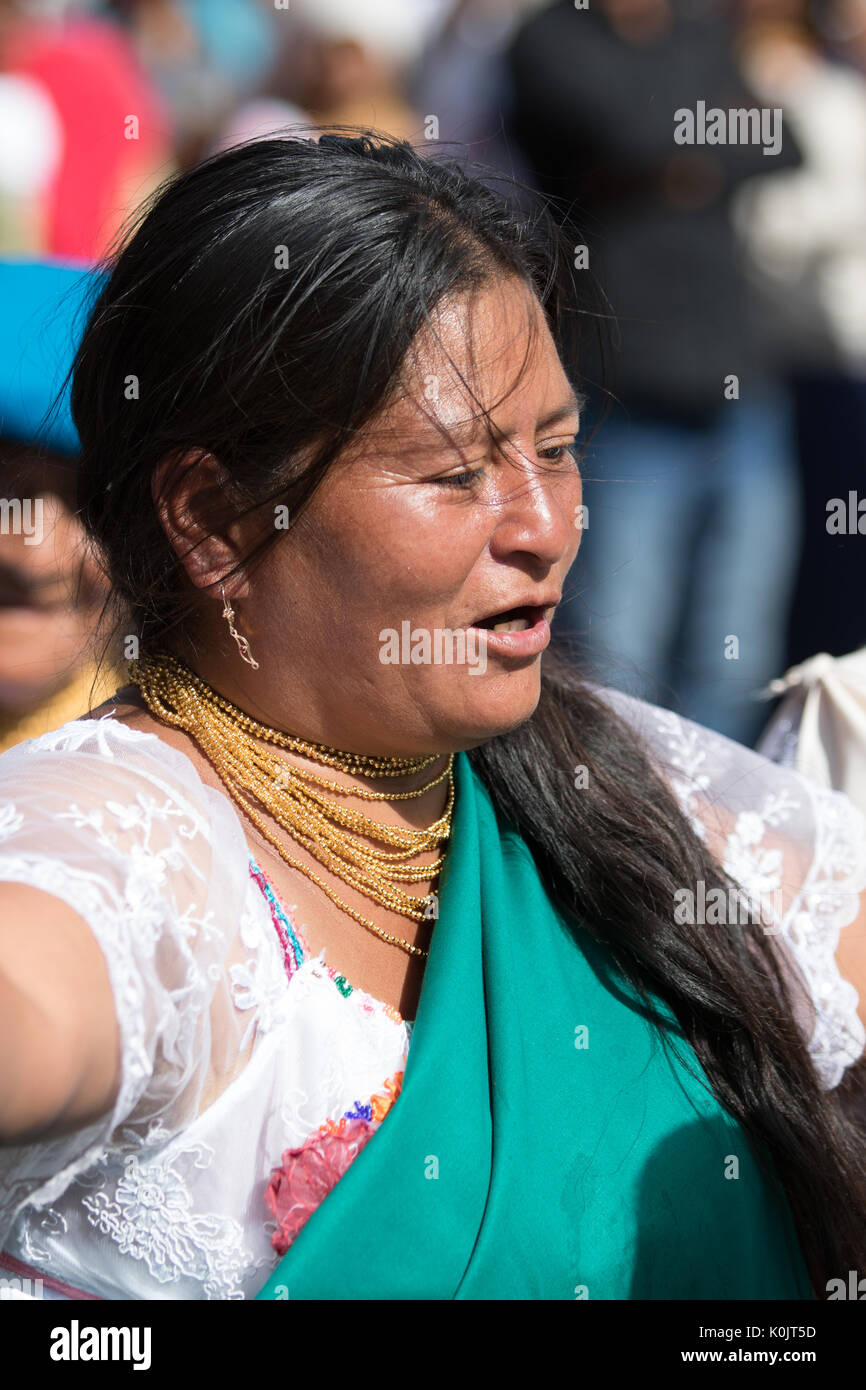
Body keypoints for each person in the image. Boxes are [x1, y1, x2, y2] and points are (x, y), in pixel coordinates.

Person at [0, 133, 864, 1302]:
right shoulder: (130, 839)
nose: (541, 527)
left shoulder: (605, 778)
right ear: (212, 518)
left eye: (555, 453)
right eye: (454, 476)